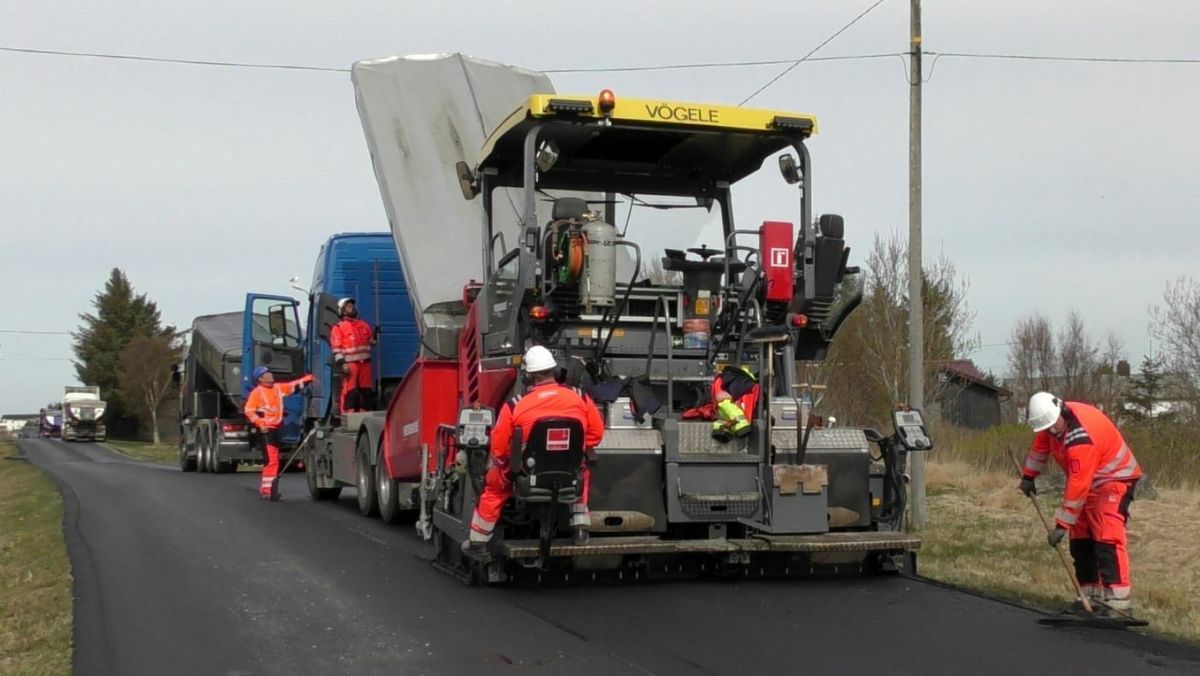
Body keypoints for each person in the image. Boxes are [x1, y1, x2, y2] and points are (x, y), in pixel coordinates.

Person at [463, 345, 605, 559]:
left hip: (529, 477)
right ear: (555, 372)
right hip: (569, 479)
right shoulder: (580, 398)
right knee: (582, 469)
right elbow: (596, 434)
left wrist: (505, 462)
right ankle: (581, 529)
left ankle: (478, 543)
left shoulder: (514, 406)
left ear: (528, 376)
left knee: (494, 485)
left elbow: (499, 450)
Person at [1019, 391, 1142, 612]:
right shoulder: (1050, 422)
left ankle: (1118, 603)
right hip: (1089, 479)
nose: (1052, 431)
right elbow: (1040, 449)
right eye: (1047, 428)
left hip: (1114, 478)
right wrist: (1029, 476)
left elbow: (1078, 486)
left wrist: (1061, 525)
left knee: (1107, 535)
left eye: (1053, 426)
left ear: (1061, 410)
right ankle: (1089, 595)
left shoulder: (1081, 438)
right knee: (1081, 536)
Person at [244, 366, 313, 500]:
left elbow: (293, 386)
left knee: (273, 460)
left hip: (275, 429)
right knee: (272, 461)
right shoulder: (257, 393)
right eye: (267, 374)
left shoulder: (277, 388)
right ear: (260, 379)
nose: (271, 375)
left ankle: (268, 489)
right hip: (266, 430)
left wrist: (309, 378)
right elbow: (249, 410)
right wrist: (260, 424)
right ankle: (268, 490)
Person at [329, 297, 378, 413]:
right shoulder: (338, 328)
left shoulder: (364, 325)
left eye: (352, 306)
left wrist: (375, 336)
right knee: (350, 391)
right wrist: (343, 364)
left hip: (365, 363)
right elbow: (336, 349)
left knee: (366, 390)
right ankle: (347, 415)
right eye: (348, 306)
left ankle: (364, 414)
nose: (351, 308)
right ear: (342, 310)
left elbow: (371, 342)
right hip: (350, 364)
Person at [710, 365, 759, 442]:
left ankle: (728, 428)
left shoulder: (723, 378)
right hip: (742, 386)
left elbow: (721, 399)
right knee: (724, 406)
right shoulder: (741, 379)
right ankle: (726, 428)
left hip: (734, 387)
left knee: (723, 404)